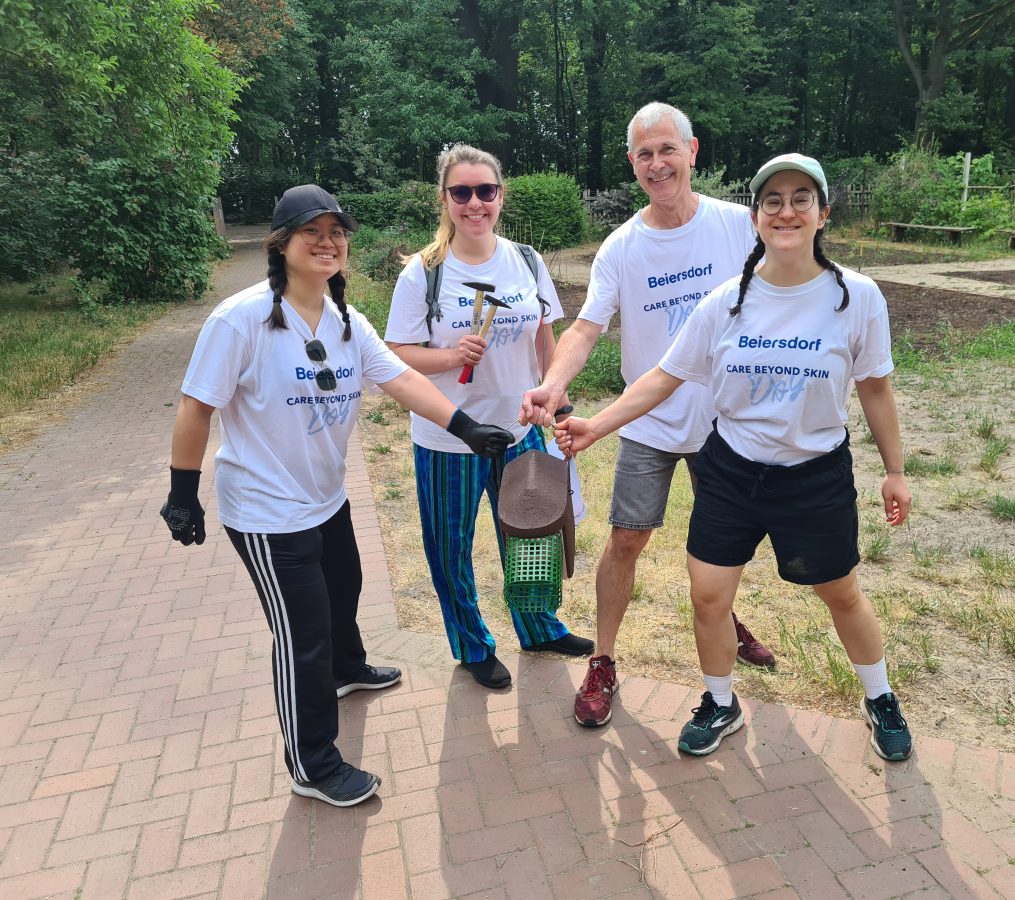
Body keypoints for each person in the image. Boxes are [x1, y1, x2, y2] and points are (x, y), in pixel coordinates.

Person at [161, 184, 514, 807]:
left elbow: (400, 377)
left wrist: (465, 427)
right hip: (269, 513)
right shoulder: (240, 319)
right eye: (311, 233)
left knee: (344, 589)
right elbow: (196, 406)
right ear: (281, 245)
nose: (327, 243)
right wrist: (182, 492)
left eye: (337, 232)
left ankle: (348, 672)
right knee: (303, 635)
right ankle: (313, 764)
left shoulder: (346, 320)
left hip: (324, 498)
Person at [554, 152, 915, 761]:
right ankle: (721, 703)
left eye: (802, 198)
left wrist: (896, 470)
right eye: (773, 201)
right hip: (732, 472)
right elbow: (664, 376)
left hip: (814, 475)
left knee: (842, 592)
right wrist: (597, 426)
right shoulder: (726, 301)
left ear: (823, 213)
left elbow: (875, 386)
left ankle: (879, 697)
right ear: (756, 218)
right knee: (709, 596)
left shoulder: (858, 297)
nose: (787, 210)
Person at [521, 102, 776, 730]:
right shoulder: (622, 248)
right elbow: (586, 326)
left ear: (692, 151)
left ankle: (724, 616)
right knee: (627, 539)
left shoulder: (737, 226)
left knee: (728, 544)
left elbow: (781, 293)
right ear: (632, 164)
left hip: (726, 422)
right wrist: (553, 384)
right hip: (649, 420)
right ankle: (604, 661)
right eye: (643, 154)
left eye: (667, 150)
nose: (656, 164)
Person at [385, 144, 594, 691]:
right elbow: (395, 354)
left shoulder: (525, 259)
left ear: (501, 197)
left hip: (521, 428)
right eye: (462, 192)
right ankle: (472, 644)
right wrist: (452, 357)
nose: (474, 203)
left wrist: (559, 401)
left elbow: (545, 334)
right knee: (450, 547)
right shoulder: (423, 273)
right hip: (449, 437)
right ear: (445, 200)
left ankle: (539, 626)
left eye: (486, 191)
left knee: (531, 538)